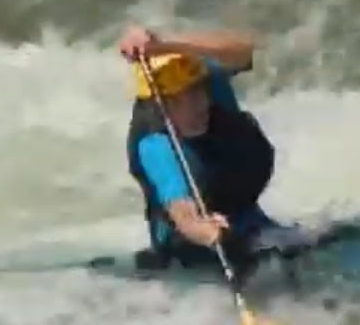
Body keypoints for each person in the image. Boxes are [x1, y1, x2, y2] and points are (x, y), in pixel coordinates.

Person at [118, 24, 285, 270]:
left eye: (196, 92)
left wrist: (163, 44)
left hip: (249, 222)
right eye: (177, 99)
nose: (196, 105)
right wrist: (212, 233)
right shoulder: (157, 148)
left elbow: (246, 48)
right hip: (186, 248)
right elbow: (184, 217)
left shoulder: (213, 91)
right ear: (159, 104)